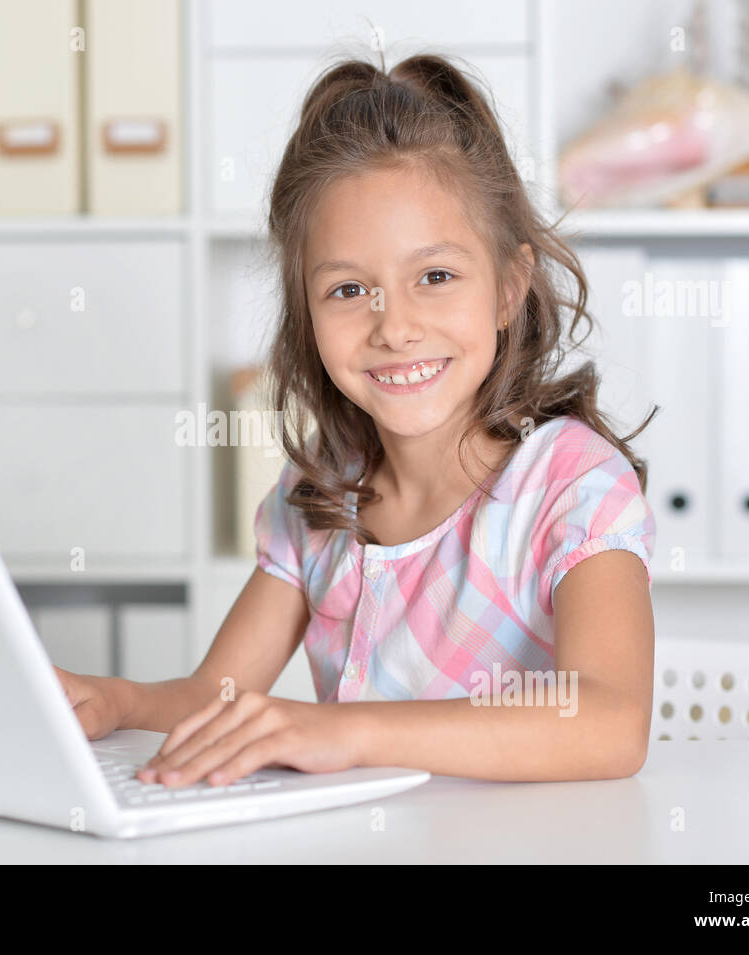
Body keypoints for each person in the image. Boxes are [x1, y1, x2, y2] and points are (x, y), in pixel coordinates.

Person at [56, 52, 658, 787]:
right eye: (348, 289)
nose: (394, 326)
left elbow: (609, 720)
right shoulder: (319, 491)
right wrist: (114, 700)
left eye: (435, 277)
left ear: (508, 288)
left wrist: (341, 729)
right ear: (306, 315)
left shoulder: (570, 485)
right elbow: (216, 695)